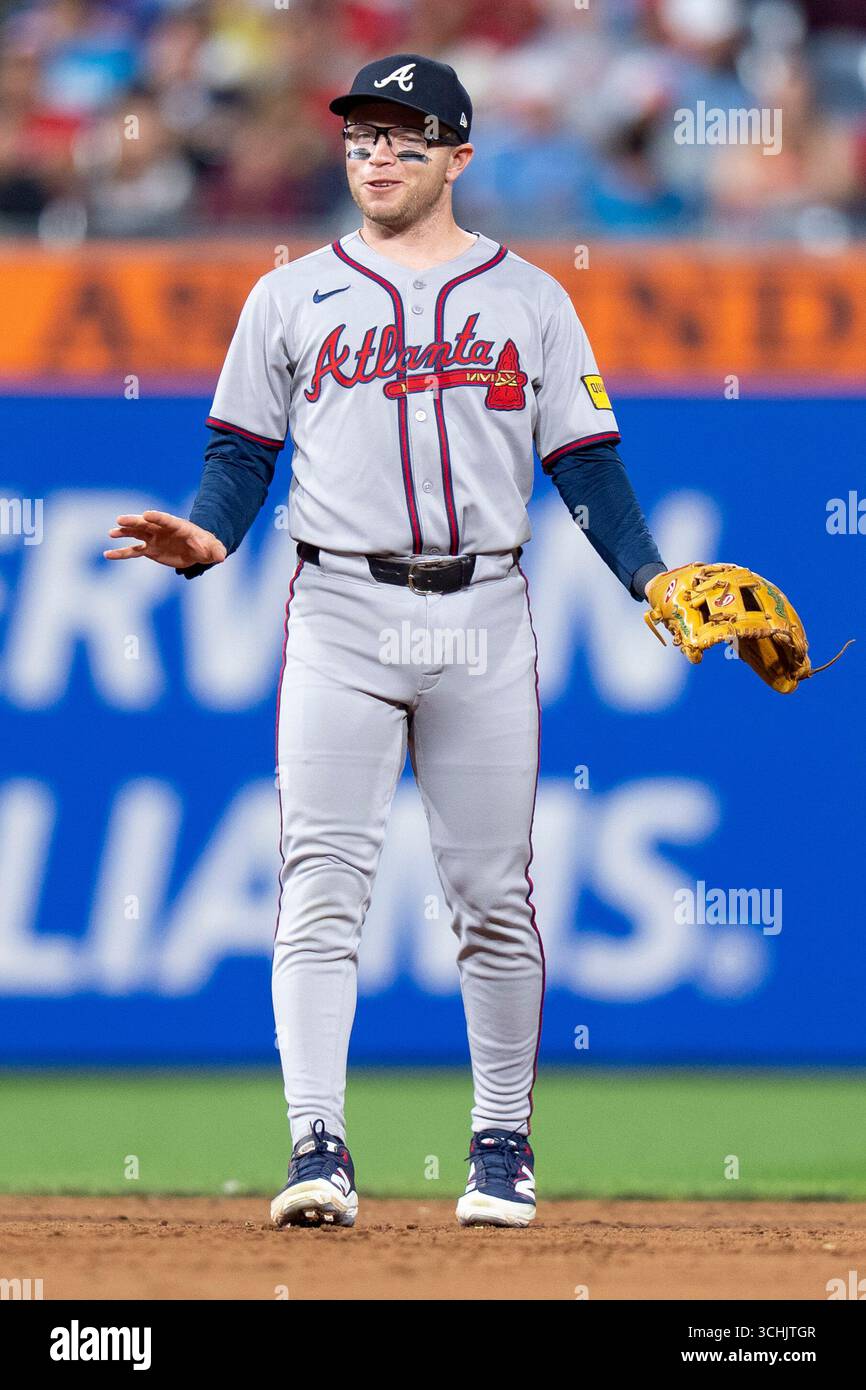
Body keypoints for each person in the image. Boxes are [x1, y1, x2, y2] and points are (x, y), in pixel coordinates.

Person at [105, 53, 666, 1230]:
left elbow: (586, 462)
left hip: (481, 608)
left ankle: (500, 1144)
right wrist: (209, 538)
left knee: (491, 898)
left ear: (459, 156)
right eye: (362, 133)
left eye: (405, 136)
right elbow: (240, 453)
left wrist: (648, 577)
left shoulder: (529, 300)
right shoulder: (292, 294)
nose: (377, 152)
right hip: (341, 610)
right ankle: (318, 1144)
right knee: (318, 886)